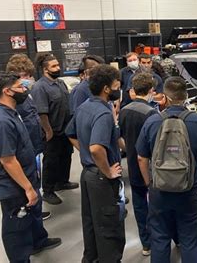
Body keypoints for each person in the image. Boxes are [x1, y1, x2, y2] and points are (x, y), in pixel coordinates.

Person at [136, 76, 197, 263]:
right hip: (190, 192)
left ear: (165, 98)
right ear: (185, 97)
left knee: (159, 240)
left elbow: (141, 157)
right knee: (190, 242)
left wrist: (150, 184)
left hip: (159, 192)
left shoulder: (152, 121)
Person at [0, 71, 61, 262]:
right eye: (20, 87)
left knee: (30, 217)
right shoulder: (1, 121)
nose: (25, 90)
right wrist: (28, 188)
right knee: (16, 227)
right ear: (7, 91)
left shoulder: (11, 111)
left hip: (26, 175)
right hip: (12, 186)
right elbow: (7, 160)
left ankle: (37, 242)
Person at [65, 64, 126, 263]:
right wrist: (107, 170)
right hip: (101, 178)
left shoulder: (84, 107)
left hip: (88, 175)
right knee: (109, 226)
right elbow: (96, 148)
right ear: (107, 89)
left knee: (91, 221)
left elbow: (70, 134)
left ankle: (91, 258)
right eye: (117, 85)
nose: (119, 88)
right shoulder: (102, 113)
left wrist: (86, 154)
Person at [0, 54, 51, 221]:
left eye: (29, 75)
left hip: (31, 150)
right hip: (14, 155)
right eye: (23, 76)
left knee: (35, 189)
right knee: (21, 199)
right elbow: (1, 136)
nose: (27, 80)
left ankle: (36, 218)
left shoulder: (24, 93)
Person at [31, 53, 78, 205]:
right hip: (52, 131)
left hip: (65, 129)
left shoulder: (60, 83)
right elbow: (42, 112)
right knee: (51, 161)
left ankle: (62, 182)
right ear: (45, 69)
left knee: (66, 156)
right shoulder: (40, 87)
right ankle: (48, 190)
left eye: (58, 65)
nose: (58, 68)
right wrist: (48, 131)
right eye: (54, 66)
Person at [119, 73, 157, 256]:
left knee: (140, 206)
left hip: (133, 166)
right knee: (157, 206)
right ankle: (160, 240)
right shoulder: (151, 113)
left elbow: (120, 137)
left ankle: (146, 244)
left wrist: (131, 150)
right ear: (151, 90)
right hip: (149, 169)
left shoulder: (125, 109)